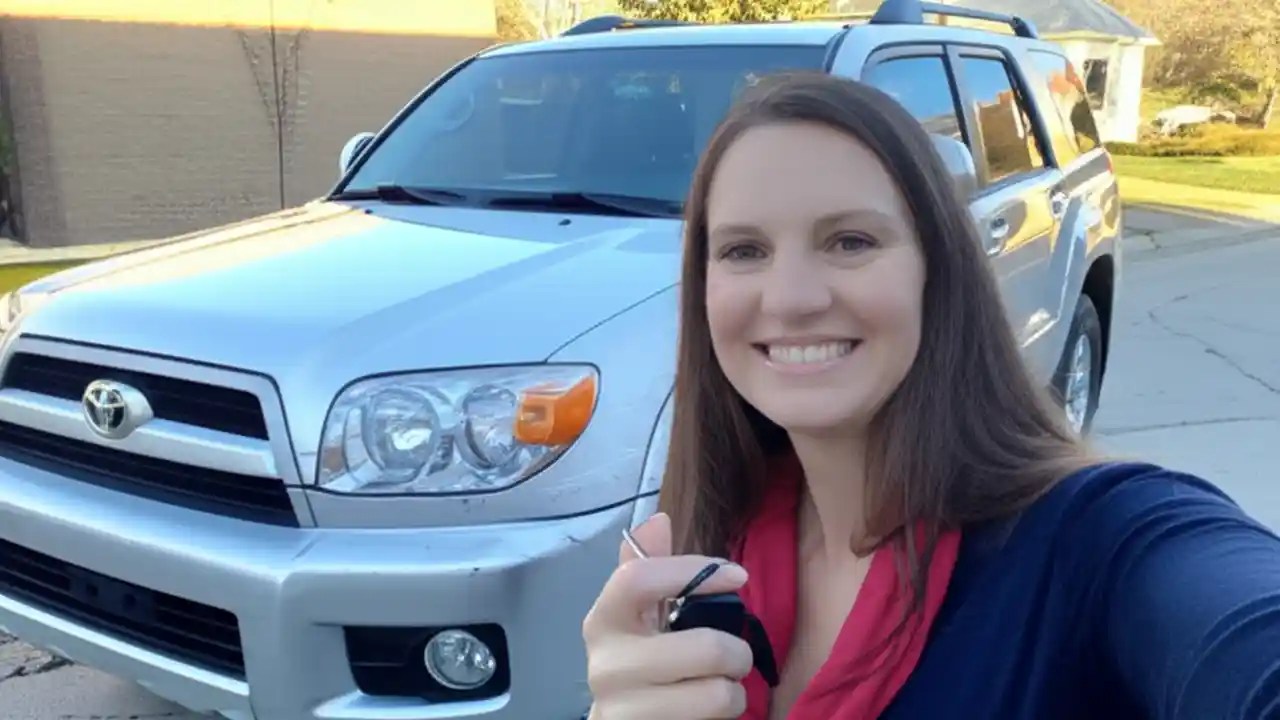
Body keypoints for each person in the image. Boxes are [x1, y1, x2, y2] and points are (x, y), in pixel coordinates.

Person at [580, 72, 1280, 720]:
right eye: (743, 250)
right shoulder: (718, 551)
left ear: (936, 270)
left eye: (850, 241)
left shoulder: (1095, 541)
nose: (791, 299)